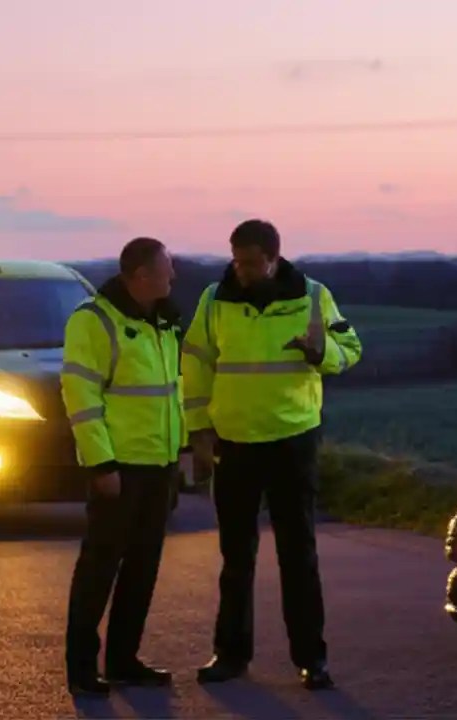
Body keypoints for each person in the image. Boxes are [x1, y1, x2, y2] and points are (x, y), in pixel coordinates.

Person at [180, 218, 363, 690]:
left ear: (274, 259)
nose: (240, 271)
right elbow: (196, 363)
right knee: (235, 556)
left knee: (297, 554)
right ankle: (230, 654)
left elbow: (350, 349)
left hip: (292, 441)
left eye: (251, 263)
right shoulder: (213, 299)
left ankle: (311, 658)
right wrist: (197, 430)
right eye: (236, 261)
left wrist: (322, 353)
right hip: (235, 442)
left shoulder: (313, 296)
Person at [61, 236, 191, 696]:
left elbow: (172, 391)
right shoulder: (94, 321)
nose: (172, 277)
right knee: (100, 566)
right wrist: (101, 463)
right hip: (120, 466)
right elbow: (81, 397)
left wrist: (184, 450)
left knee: (143, 565)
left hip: (160, 462)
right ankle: (81, 667)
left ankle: (123, 659)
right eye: (165, 269)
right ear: (140, 276)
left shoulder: (164, 322)